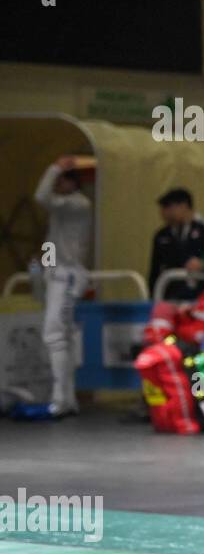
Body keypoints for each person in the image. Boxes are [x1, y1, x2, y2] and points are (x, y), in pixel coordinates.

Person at [34, 157, 93, 417]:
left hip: (68, 276)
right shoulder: (62, 210)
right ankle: (67, 398)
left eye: (63, 180)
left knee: (55, 335)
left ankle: (60, 398)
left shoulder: (79, 204)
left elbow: (41, 197)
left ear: (73, 182)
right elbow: (52, 241)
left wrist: (54, 166)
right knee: (63, 338)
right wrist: (45, 267)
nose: (58, 184)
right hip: (57, 274)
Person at [149, 188, 204, 300]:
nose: (164, 212)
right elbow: (155, 269)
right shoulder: (161, 235)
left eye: (169, 207)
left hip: (197, 291)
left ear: (183, 206)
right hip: (170, 292)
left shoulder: (202, 229)